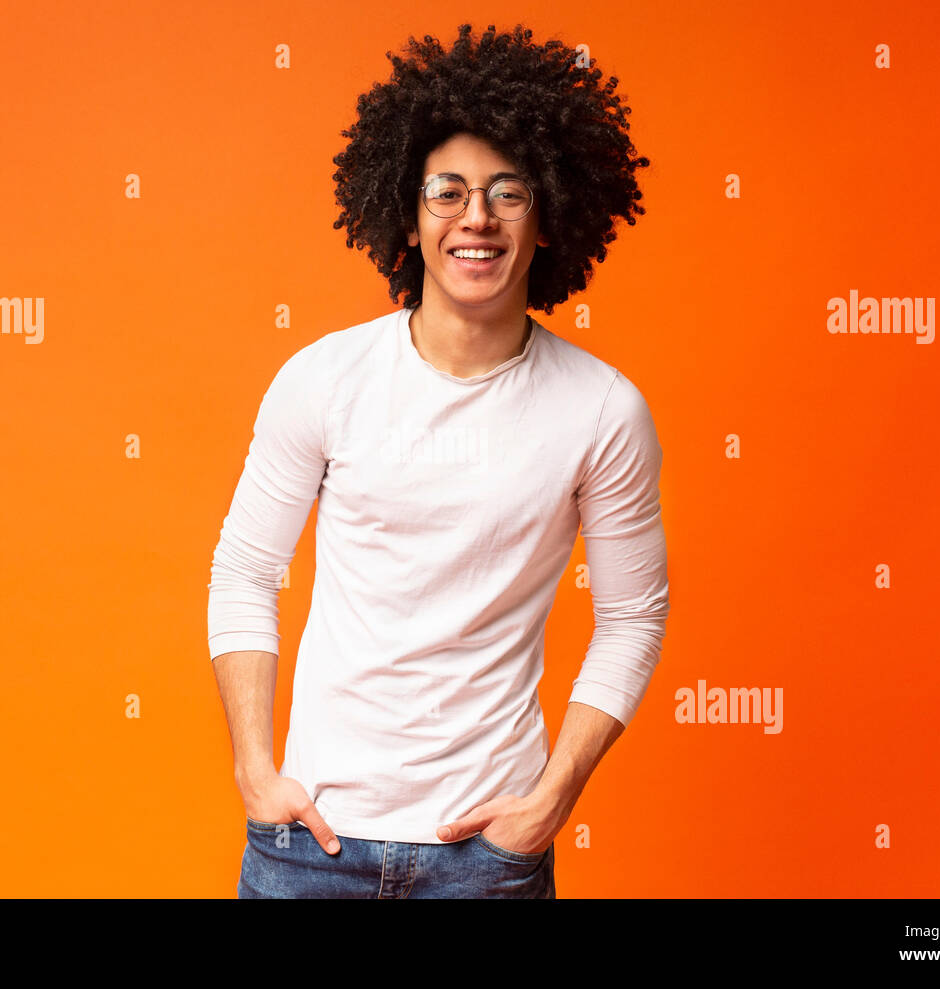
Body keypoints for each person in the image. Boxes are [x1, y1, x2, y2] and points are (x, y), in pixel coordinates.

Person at [208, 22, 668, 898]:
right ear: (410, 217)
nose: (477, 217)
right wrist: (255, 771)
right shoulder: (324, 378)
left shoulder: (603, 411)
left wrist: (551, 799)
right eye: (447, 192)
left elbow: (633, 616)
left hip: (486, 860)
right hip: (308, 844)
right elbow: (244, 570)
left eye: (508, 192)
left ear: (550, 215)